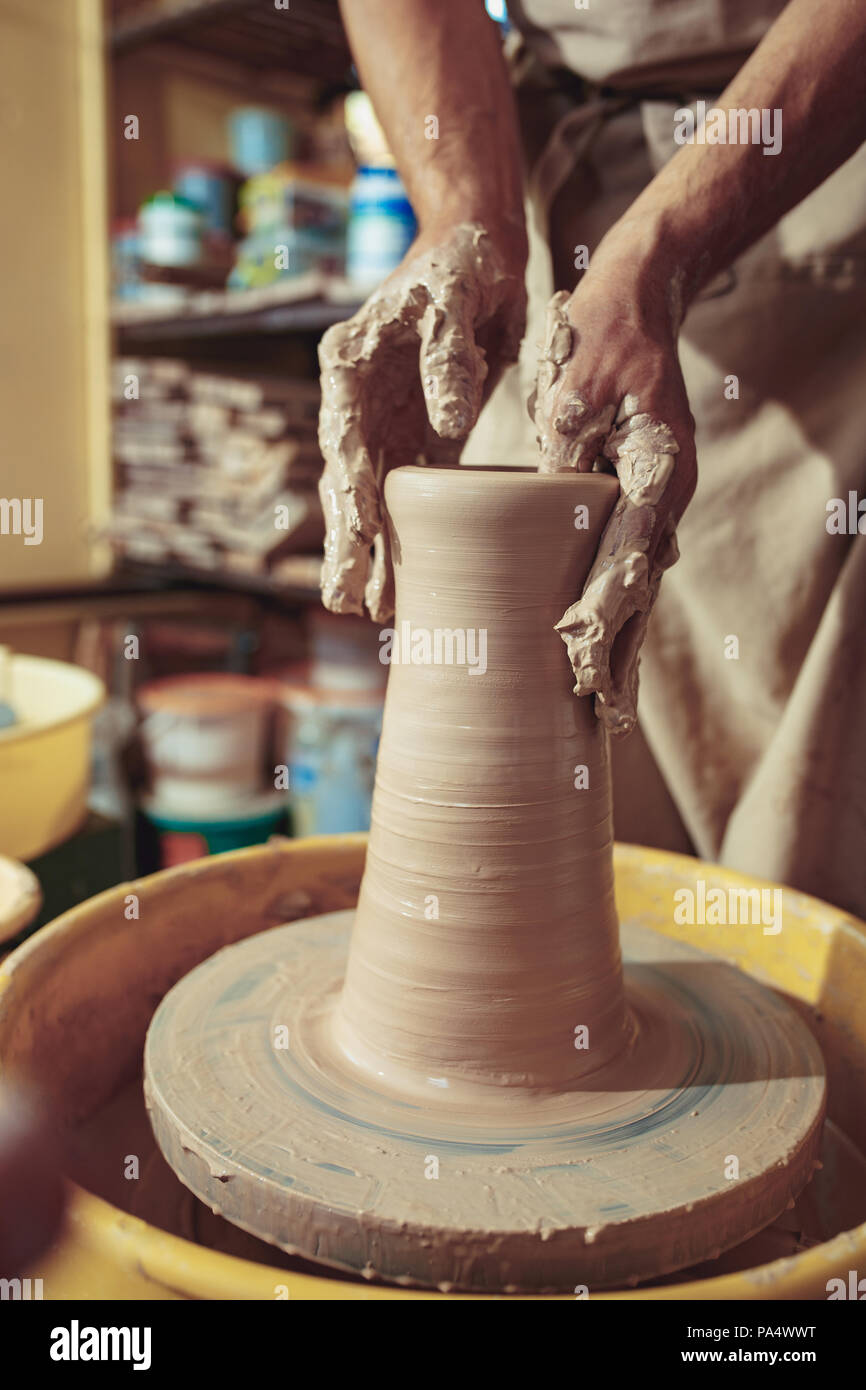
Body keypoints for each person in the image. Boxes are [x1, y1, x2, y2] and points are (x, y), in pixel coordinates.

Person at [317, 0, 866, 917]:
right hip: (559, 179)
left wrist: (663, 257)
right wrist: (466, 212)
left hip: (824, 161)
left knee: (801, 850)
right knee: (521, 722)